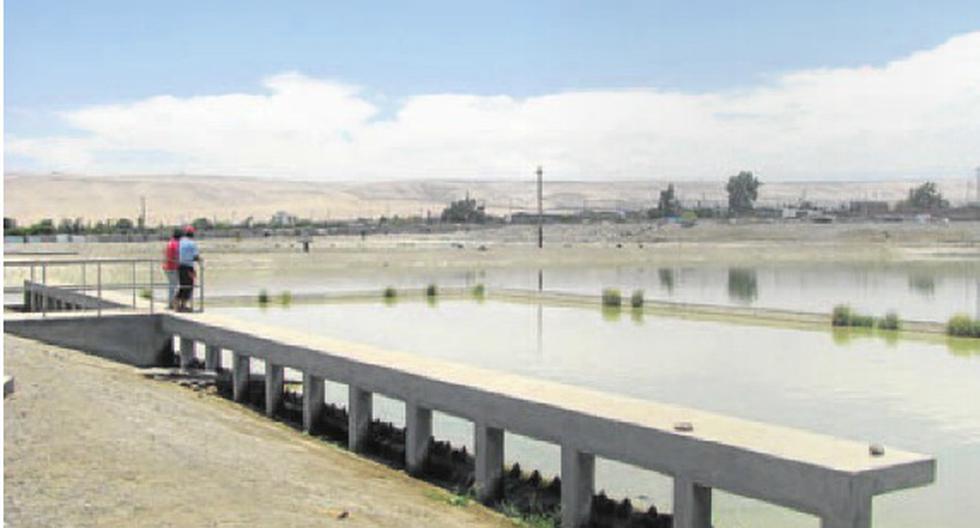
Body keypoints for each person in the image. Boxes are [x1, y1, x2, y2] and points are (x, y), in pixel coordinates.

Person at [176, 225, 201, 312]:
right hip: (188, 267)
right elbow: (195, 256)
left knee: (183, 285)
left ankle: (178, 305)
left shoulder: (180, 242)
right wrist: (199, 260)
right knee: (189, 286)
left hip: (180, 266)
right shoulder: (192, 243)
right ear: (192, 234)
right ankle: (183, 305)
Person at [162, 229, 181, 309]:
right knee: (175, 286)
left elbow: (166, 255)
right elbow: (177, 256)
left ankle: (171, 303)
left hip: (167, 267)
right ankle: (172, 303)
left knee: (172, 286)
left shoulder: (169, 243)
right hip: (174, 267)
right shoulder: (177, 244)